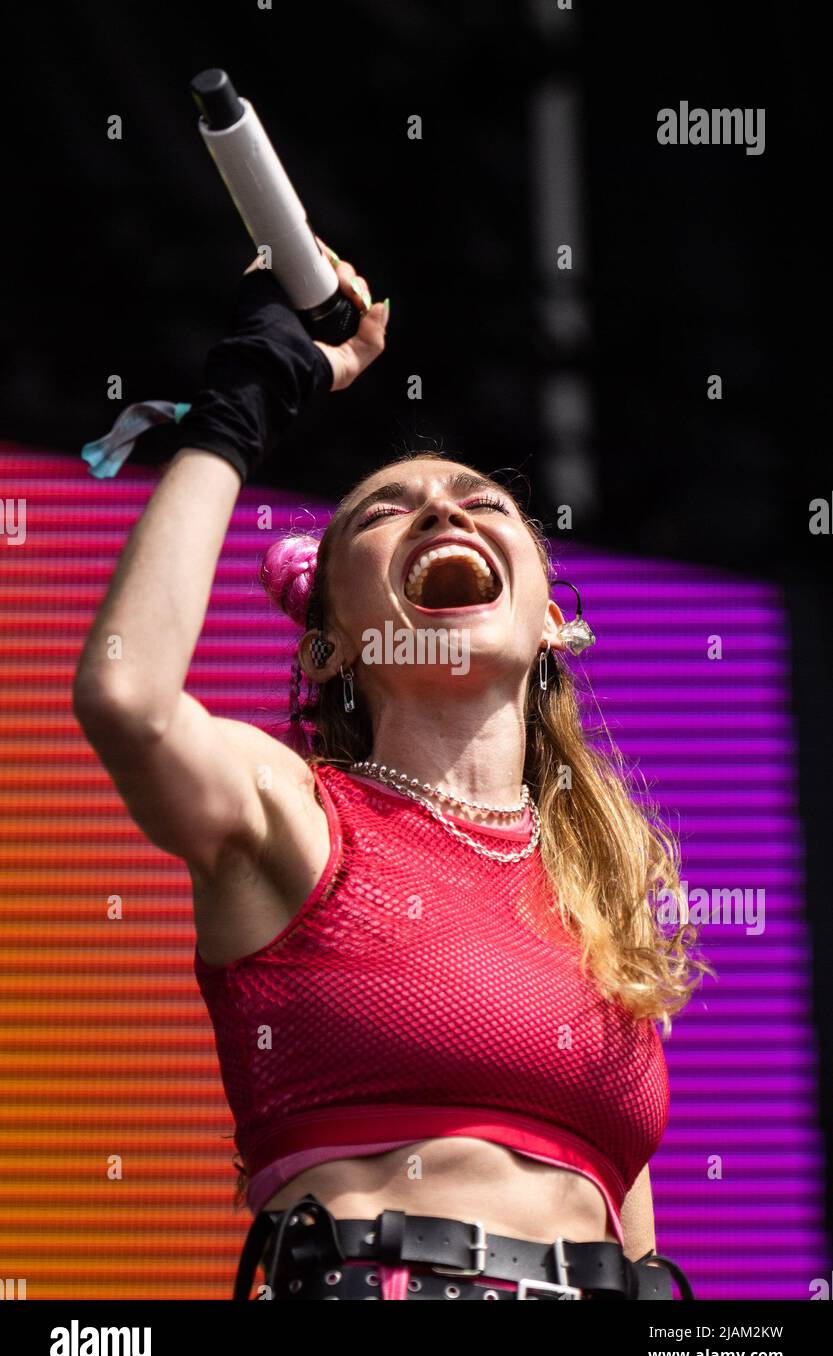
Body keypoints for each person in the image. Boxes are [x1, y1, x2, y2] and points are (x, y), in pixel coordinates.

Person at [73, 243, 709, 1301]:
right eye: (385, 511)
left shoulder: (602, 894)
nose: (444, 511)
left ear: (552, 619)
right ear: (325, 645)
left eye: (480, 500)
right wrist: (237, 412)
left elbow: (631, 1244)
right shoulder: (296, 814)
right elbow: (127, 700)